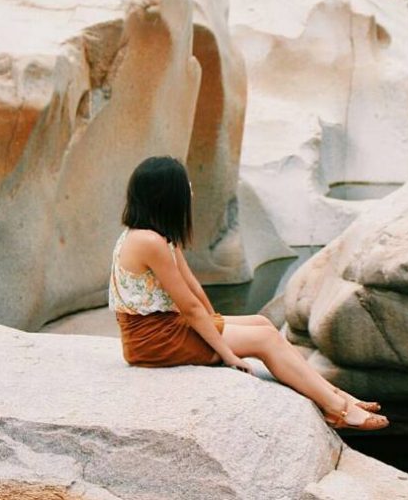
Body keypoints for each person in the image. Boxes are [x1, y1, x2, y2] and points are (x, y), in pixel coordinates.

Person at [111, 156, 389, 431]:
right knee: (265, 339)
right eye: (186, 186)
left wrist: (216, 321)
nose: (191, 192)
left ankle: (336, 394)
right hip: (153, 340)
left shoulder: (157, 237)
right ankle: (335, 409)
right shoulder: (149, 242)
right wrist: (227, 354)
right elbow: (189, 307)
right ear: (168, 195)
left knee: (262, 323)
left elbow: (193, 287)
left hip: (165, 328)